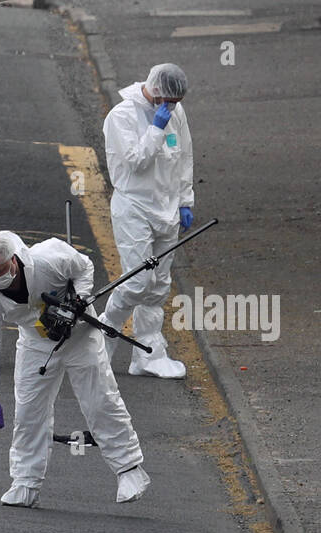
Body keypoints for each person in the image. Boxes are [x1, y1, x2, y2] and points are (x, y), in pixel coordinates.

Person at [0, 231, 150, 507]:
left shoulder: (49, 258)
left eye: (1, 271)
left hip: (80, 335)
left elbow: (84, 266)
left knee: (100, 400)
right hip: (35, 343)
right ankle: (25, 482)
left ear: (14, 261)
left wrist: (80, 297)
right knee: (29, 412)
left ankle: (129, 469)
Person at [99, 63, 194, 380]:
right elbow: (136, 162)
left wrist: (185, 200)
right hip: (134, 207)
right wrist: (155, 129)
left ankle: (148, 353)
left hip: (166, 208)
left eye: (176, 102)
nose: (171, 107)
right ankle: (102, 339)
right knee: (138, 280)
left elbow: (183, 157)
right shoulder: (121, 116)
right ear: (154, 90)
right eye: (167, 100)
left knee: (158, 287)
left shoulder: (175, 112)